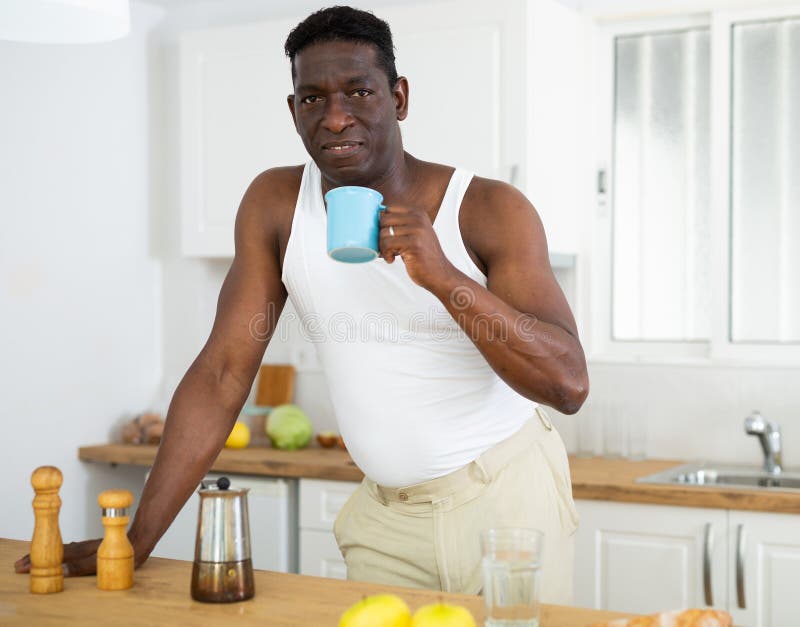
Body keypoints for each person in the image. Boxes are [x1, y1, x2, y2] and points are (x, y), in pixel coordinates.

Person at [16, 6, 588, 602]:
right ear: (293, 113)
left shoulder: (487, 209)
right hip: (385, 518)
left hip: (505, 501)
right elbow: (221, 373)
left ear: (399, 98)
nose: (336, 118)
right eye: (312, 99)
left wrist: (444, 277)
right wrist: (135, 540)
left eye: (359, 91)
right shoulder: (276, 204)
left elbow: (568, 384)